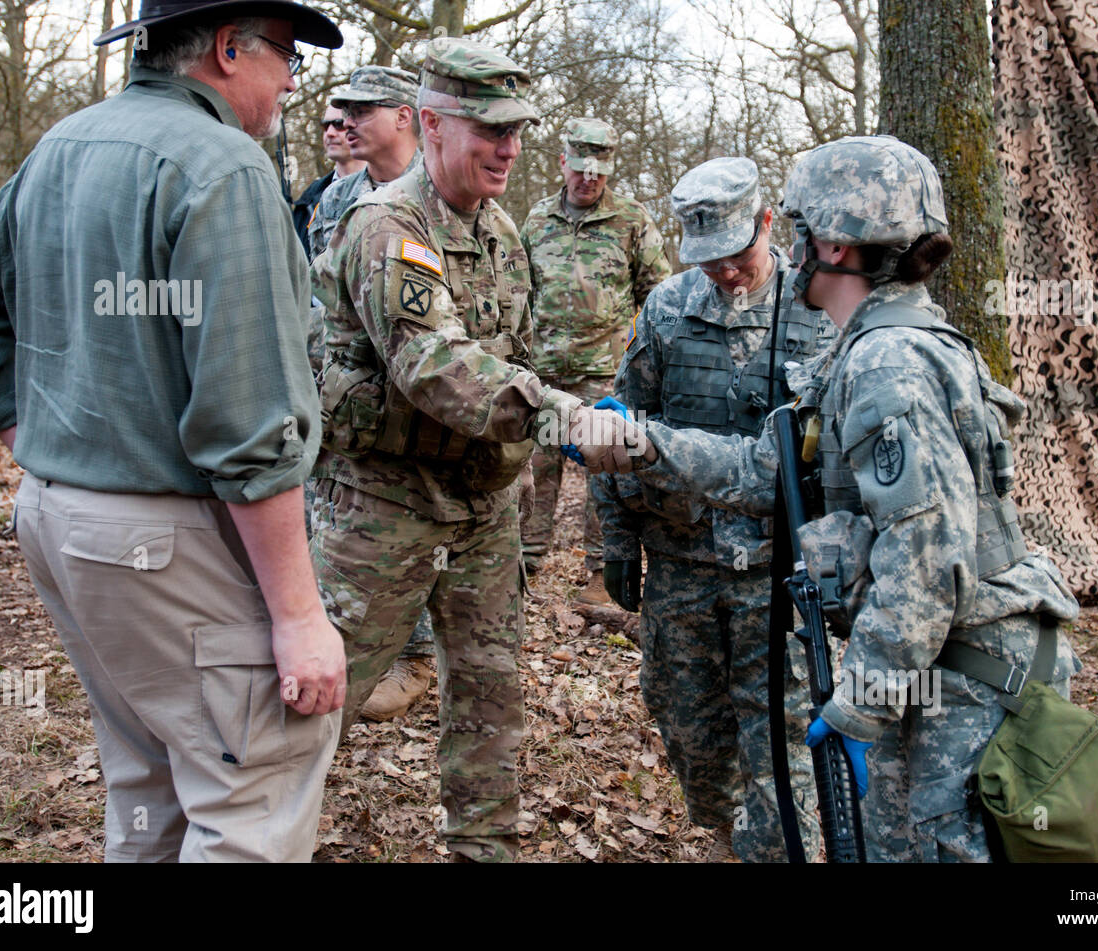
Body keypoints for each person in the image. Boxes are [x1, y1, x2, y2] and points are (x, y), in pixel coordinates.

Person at [0, 0, 347, 862]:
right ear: (231, 49)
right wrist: (300, 614)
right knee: (251, 788)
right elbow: (251, 421)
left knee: (150, 775)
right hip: (166, 537)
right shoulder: (225, 168)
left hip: (60, 518)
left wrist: (21, 424)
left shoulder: (65, 142)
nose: (288, 86)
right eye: (286, 60)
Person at [630, 135, 1082, 862]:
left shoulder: (886, 363)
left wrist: (857, 707)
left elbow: (923, 564)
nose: (795, 246)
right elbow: (768, 470)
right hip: (941, 659)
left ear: (833, 245)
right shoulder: (876, 343)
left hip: (965, 675)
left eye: (802, 227)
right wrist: (648, 443)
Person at [309, 36, 639, 862]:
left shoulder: (496, 228)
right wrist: (565, 417)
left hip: (483, 511)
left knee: (490, 693)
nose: (511, 148)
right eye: (490, 129)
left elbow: (516, 351)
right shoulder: (390, 226)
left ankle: (483, 847)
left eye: (518, 129)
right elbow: (437, 367)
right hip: (386, 511)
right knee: (320, 697)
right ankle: (246, 833)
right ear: (431, 124)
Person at [594, 157, 833, 862]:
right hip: (682, 566)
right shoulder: (667, 309)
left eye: (737, 255)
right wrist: (615, 543)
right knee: (692, 735)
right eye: (708, 260)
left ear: (767, 224)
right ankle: (726, 834)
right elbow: (618, 427)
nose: (725, 273)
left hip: (778, 572)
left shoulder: (817, 308)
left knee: (781, 739)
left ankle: (777, 848)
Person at [303, 65, 434, 722]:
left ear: (406, 116)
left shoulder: (439, 197)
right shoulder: (336, 196)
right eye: (343, 110)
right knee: (331, 524)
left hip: (413, 403)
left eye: (364, 109)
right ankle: (343, 646)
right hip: (336, 398)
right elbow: (315, 295)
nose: (346, 121)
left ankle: (416, 657)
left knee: (413, 529)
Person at [518, 117, 671, 599]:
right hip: (545, 371)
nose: (588, 179)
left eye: (599, 172)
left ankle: (602, 571)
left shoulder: (632, 221)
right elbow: (521, 292)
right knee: (537, 465)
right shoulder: (537, 220)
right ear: (563, 163)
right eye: (580, 169)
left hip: (604, 371)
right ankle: (525, 558)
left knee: (604, 468)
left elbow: (660, 297)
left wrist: (643, 364)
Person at [308, 65, 421, 259]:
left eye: (361, 112)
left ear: (402, 117)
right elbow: (318, 284)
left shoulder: (446, 192)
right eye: (348, 113)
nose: (347, 123)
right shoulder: (335, 198)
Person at [291, 103, 365, 250]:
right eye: (325, 125)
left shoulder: (386, 190)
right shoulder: (309, 200)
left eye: (339, 124)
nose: (330, 133)